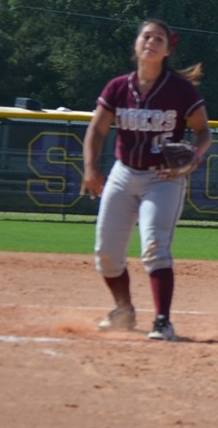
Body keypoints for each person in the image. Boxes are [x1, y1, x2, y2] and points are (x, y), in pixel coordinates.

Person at [80, 19, 210, 342]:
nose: (151, 42)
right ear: (136, 44)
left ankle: (163, 321)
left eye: (158, 38)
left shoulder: (181, 90)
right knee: (106, 254)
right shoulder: (118, 87)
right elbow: (97, 129)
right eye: (146, 36)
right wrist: (90, 167)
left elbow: (203, 132)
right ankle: (123, 310)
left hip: (163, 178)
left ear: (167, 50)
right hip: (124, 173)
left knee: (155, 246)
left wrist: (194, 156)